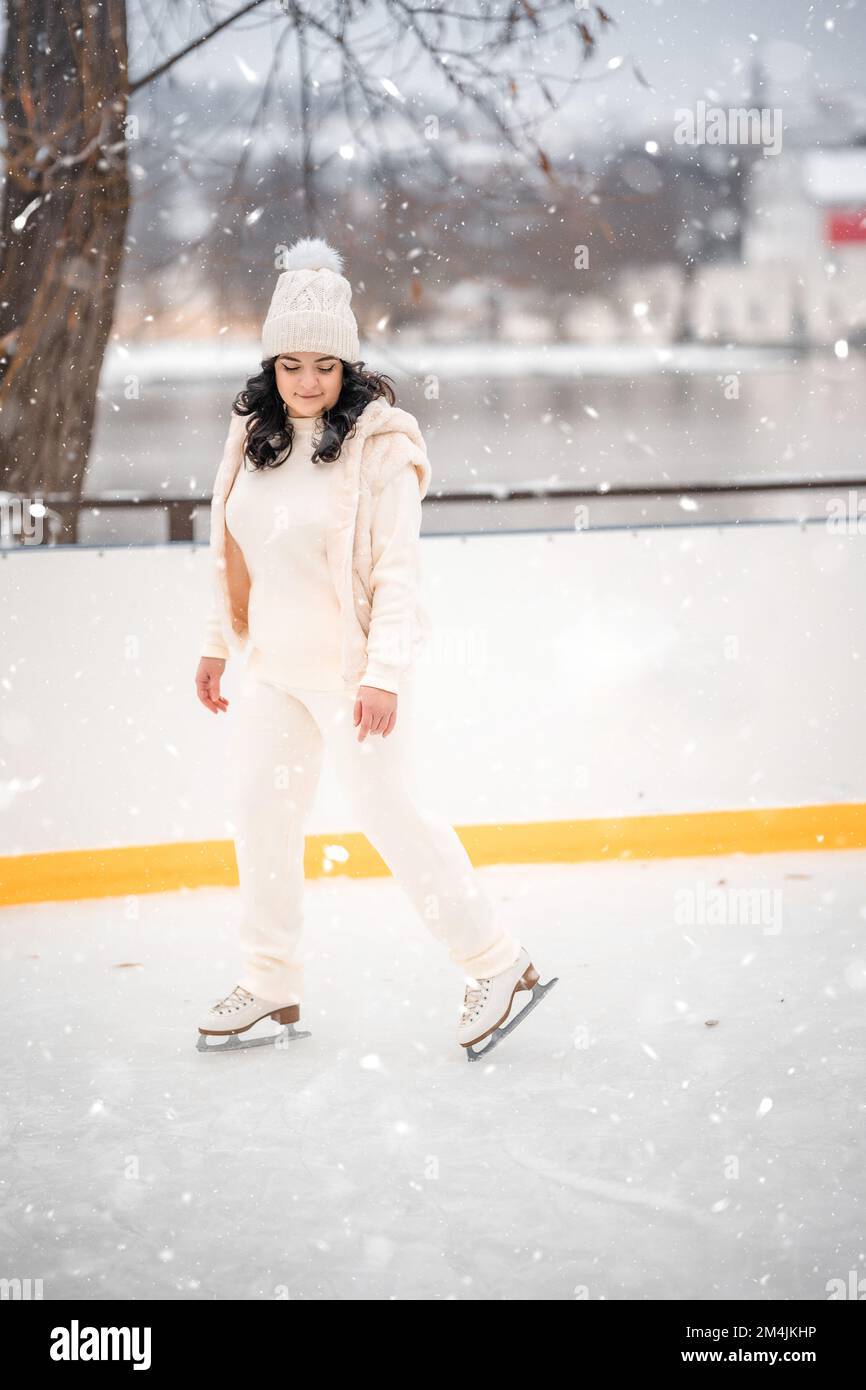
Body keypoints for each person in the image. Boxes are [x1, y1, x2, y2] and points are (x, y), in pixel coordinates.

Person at [194, 237, 549, 1057]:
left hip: (352, 675)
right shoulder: (250, 435)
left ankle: (496, 961)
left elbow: (397, 572)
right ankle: (270, 980)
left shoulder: (380, 447)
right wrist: (218, 641)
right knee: (260, 818)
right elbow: (228, 547)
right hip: (272, 673)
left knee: (391, 817)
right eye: (291, 365)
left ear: (348, 366)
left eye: (325, 365)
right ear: (271, 366)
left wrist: (384, 674)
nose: (308, 381)